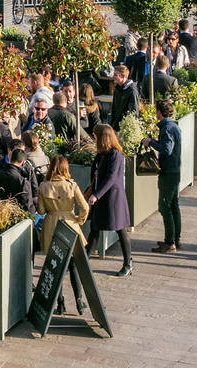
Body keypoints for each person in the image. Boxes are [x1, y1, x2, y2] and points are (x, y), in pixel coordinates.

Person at [38, 155, 89, 315]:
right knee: (73, 265)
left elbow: (40, 211)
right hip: (69, 224)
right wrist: (78, 222)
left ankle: (60, 304)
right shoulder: (71, 185)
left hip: (52, 224)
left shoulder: (43, 186)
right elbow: (85, 208)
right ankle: (79, 300)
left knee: (55, 265)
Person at [86, 124, 133, 276]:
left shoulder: (115, 155)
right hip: (101, 197)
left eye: (95, 135)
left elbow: (111, 178)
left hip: (113, 199)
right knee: (94, 228)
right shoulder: (101, 154)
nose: (93, 138)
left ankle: (128, 263)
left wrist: (96, 194)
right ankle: (84, 261)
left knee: (120, 230)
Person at [142, 98, 182, 253]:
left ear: (160, 112)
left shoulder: (167, 128)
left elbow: (166, 149)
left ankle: (170, 242)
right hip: (175, 170)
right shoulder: (173, 126)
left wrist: (150, 142)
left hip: (168, 172)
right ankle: (175, 239)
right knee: (173, 205)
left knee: (164, 206)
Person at [109, 65, 140, 133]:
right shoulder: (117, 88)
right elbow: (114, 109)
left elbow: (134, 112)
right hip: (116, 126)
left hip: (125, 128)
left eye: (115, 75)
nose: (113, 77)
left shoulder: (132, 90)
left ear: (123, 76)